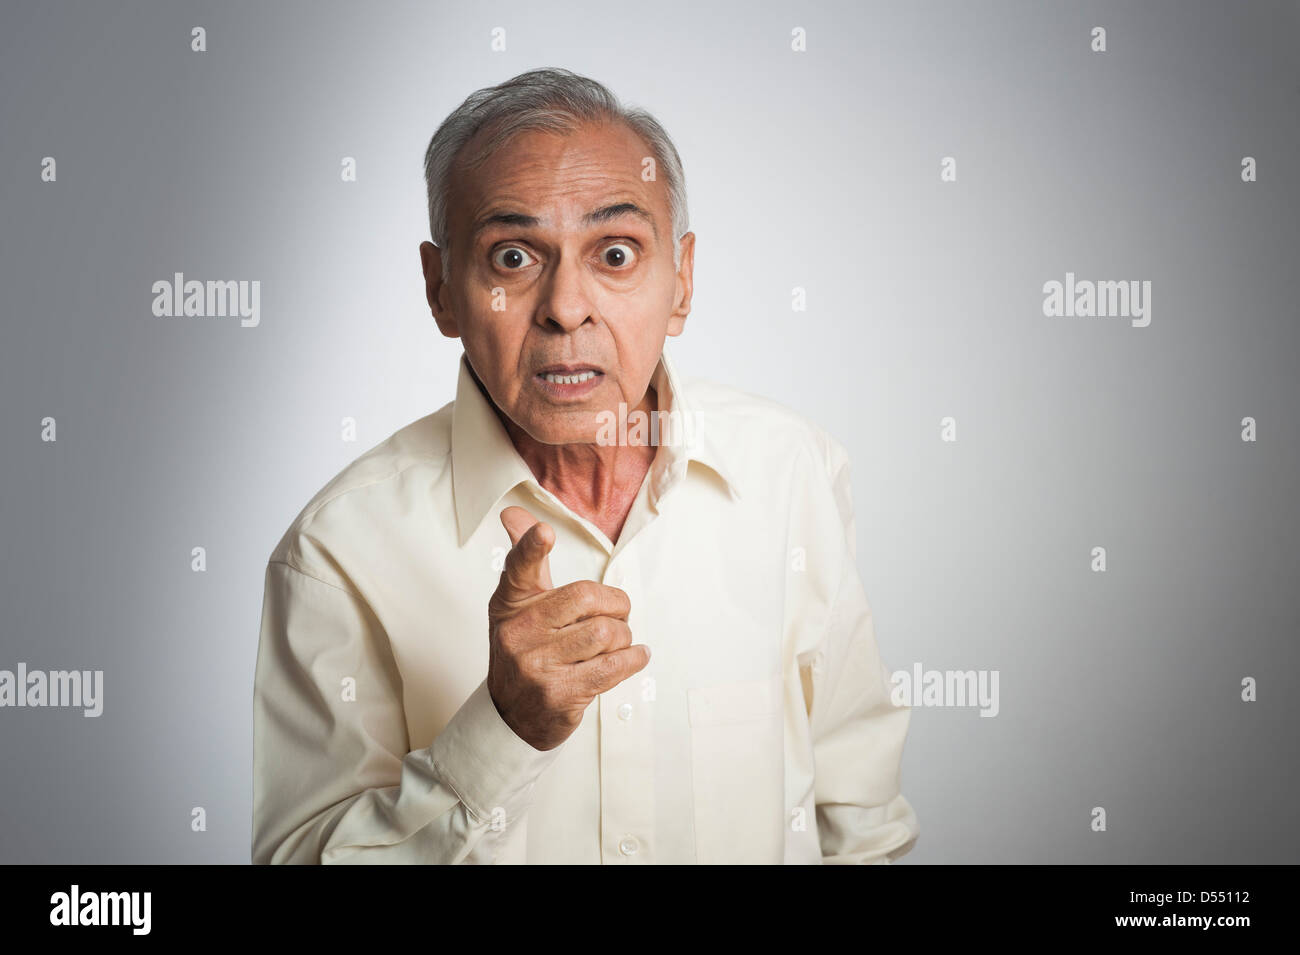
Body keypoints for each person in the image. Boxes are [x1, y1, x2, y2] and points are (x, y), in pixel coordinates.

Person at [251, 67, 919, 864]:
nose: (567, 305)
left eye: (614, 251)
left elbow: (862, 821)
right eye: (511, 257)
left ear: (683, 281)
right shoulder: (338, 552)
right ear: (441, 291)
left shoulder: (791, 472)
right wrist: (502, 729)